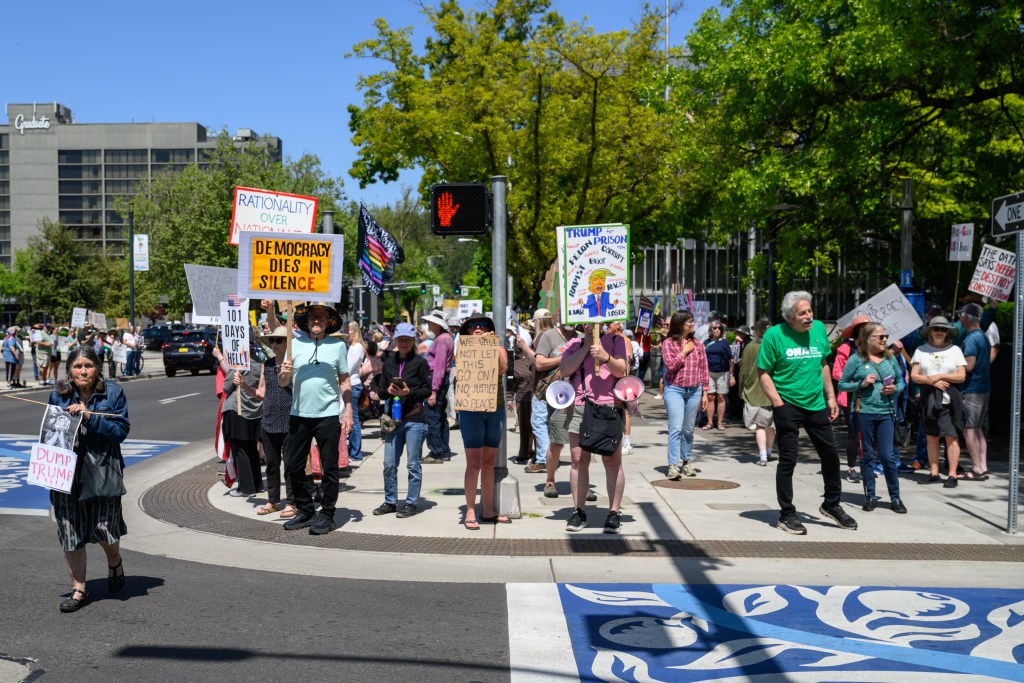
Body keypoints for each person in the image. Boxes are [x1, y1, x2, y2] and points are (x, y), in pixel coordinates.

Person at [757, 290, 857, 535]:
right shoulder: (774, 335)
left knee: (831, 455)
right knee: (789, 460)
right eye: (802, 313)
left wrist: (830, 397)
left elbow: (823, 363)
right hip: (787, 404)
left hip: (816, 404)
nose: (809, 316)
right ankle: (787, 514)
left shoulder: (819, 330)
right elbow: (763, 372)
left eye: (810, 311)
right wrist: (778, 402)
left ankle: (831, 504)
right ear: (790, 316)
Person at [48, 345, 130, 612]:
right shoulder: (57, 395)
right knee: (70, 532)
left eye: (88, 365)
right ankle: (79, 589)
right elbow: (50, 434)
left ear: (98, 368)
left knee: (105, 528)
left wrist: (89, 417)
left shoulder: (114, 393)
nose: (83, 371)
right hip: (66, 473)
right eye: (77, 366)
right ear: (70, 371)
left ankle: (114, 562)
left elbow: (120, 430)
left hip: (102, 470)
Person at [278, 303, 354, 535]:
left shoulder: (338, 346)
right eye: (312, 317)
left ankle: (327, 514)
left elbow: (344, 380)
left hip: (328, 415)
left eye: (321, 317)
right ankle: (307, 511)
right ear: (306, 320)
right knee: (292, 466)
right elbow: (283, 382)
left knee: (330, 469)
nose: (317, 320)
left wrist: (348, 409)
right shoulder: (294, 344)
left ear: (329, 321)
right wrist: (285, 373)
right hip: (299, 415)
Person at [560, 322, 629, 534]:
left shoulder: (617, 341)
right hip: (580, 405)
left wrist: (605, 356)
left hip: (608, 405)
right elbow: (565, 369)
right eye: (587, 322)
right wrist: (585, 347)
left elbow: (621, 370)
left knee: (612, 460)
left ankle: (614, 512)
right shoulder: (574, 343)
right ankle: (578, 511)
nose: (591, 325)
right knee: (578, 459)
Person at [838, 323, 907, 513]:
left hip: (886, 413)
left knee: (887, 456)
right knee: (867, 456)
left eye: (886, 336)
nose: (885, 339)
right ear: (868, 339)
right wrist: (861, 384)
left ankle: (895, 498)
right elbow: (842, 385)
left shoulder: (890, 358)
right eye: (881, 337)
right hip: (863, 413)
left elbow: (901, 382)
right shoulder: (856, 360)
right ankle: (870, 496)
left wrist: (895, 389)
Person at [456, 313, 511, 529]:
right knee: (474, 462)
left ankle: (488, 509)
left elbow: (503, 368)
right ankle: (470, 510)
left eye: (482, 325)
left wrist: (492, 345)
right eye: (473, 326)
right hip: (471, 409)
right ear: (467, 331)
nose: (478, 329)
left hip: (493, 408)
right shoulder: (462, 347)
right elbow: (461, 365)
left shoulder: (497, 346)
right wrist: (477, 345)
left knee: (488, 462)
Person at [234, 326, 294, 516]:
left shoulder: (292, 364)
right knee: (272, 463)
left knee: (291, 464)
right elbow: (261, 393)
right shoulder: (266, 365)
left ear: (287, 343)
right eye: (273, 341)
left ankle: (292, 502)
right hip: (269, 419)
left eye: (279, 340)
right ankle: (272, 500)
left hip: (291, 420)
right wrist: (243, 385)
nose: (275, 344)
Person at [373, 322, 431, 518]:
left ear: (413, 340)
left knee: (413, 464)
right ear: (395, 340)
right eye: (401, 339)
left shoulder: (420, 363)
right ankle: (390, 501)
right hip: (392, 420)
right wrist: (388, 391)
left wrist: (409, 392)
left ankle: (411, 502)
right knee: (389, 463)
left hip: (415, 419)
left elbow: (427, 390)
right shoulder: (389, 362)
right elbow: (380, 391)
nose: (404, 342)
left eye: (407, 339)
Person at [910, 316, 967, 488]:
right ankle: (934, 473)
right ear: (930, 332)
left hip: (950, 399)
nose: (940, 332)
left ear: (948, 332)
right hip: (928, 399)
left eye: (943, 329)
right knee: (931, 437)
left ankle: (952, 475)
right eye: (936, 329)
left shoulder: (955, 350)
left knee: (952, 436)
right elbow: (914, 375)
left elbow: (961, 376)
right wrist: (931, 381)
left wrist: (940, 376)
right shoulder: (921, 350)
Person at [212, 333, 265, 500]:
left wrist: (221, 360)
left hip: (237, 409)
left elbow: (227, 386)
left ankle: (246, 487)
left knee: (240, 449)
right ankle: (257, 484)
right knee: (251, 449)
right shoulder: (259, 359)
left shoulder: (238, 360)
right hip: (254, 410)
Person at [661, 311, 710, 480]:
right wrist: (683, 352)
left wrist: (705, 392)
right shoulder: (668, 343)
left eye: (692, 321)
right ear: (680, 324)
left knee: (688, 429)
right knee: (675, 428)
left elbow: (704, 369)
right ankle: (673, 465)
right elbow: (670, 365)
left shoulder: (699, 344)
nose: (692, 324)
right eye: (689, 321)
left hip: (694, 390)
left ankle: (687, 461)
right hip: (675, 389)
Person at [832, 315, 871, 483]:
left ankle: (867, 467)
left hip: (872, 395)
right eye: (862, 328)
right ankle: (852, 468)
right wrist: (855, 380)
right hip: (851, 395)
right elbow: (836, 372)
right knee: (854, 432)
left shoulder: (875, 348)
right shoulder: (846, 348)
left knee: (869, 432)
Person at [957, 303, 991, 481]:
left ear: (966, 317)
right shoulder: (982, 336)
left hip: (972, 390)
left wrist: (954, 365)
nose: (959, 318)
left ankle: (977, 468)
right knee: (977, 429)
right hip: (983, 388)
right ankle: (982, 466)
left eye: (960, 315)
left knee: (969, 430)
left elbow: (968, 366)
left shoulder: (971, 339)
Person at [740, 319, 775, 466]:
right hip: (774, 390)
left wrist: (741, 388)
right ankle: (768, 450)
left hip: (754, 389)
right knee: (771, 425)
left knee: (760, 425)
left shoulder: (750, 347)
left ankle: (762, 456)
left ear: (756, 332)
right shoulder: (775, 345)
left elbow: (744, 370)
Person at [421, 311, 455, 464]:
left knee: (433, 417)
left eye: (430, 322)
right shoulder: (446, 338)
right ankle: (443, 450)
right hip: (440, 380)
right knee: (440, 417)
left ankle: (436, 452)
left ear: (437, 324)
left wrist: (433, 390)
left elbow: (439, 366)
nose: (428, 325)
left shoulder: (441, 339)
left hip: (436, 380)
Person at [702, 319, 733, 430]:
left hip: (723, 373)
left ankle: (720, 422)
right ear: (711, 329)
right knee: (710, 397)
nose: (717, 330)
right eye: (714, 328)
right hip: (709, 373)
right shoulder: (706, 342)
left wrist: (731, 375)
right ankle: (710, 422)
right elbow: (702, 358)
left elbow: (730, 359)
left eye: (719, 328)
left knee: (721, 397)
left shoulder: (724, 343)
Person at [346, 321, 367, 462]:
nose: (346, 333)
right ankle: (353, 450)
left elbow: (348, 367)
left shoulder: (357, 347)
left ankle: (355, 452)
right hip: (352, 383)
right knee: (352, 418)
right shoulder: (353, 347)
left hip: (353, 384)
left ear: (353, 331)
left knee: (354, 419)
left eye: (348, 330)